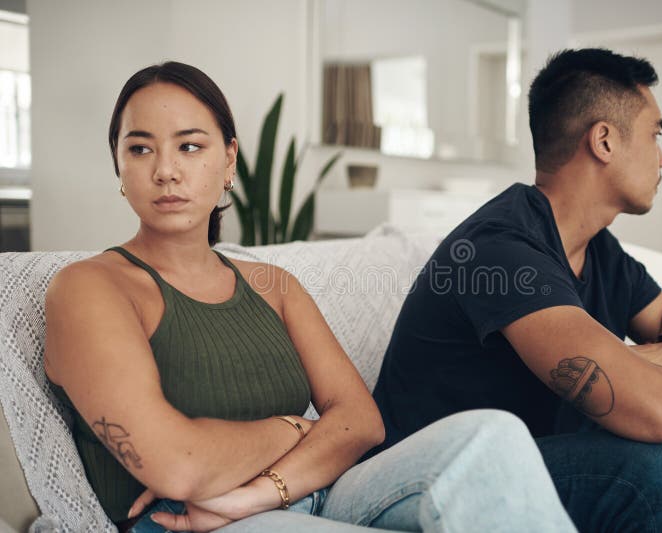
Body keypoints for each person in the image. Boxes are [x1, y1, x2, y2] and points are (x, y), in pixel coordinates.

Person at [43, 61, 576, 533]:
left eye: (190, 145)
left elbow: (361, 422)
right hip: (187, 523)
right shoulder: (89, 287)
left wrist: (257, 491)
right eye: (140, 148)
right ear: (118, 165)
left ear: (229, 161)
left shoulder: (273, 286)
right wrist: (294, 428)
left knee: (491, 435)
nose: (165, 170)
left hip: (301, 495)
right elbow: (175, 467)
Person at [372, 48, 662, 533]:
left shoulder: (601, 253)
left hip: (535, 454)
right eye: (655, 133)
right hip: (434, 478)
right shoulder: (500, 250)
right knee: (637, 473)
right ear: (603, 140)